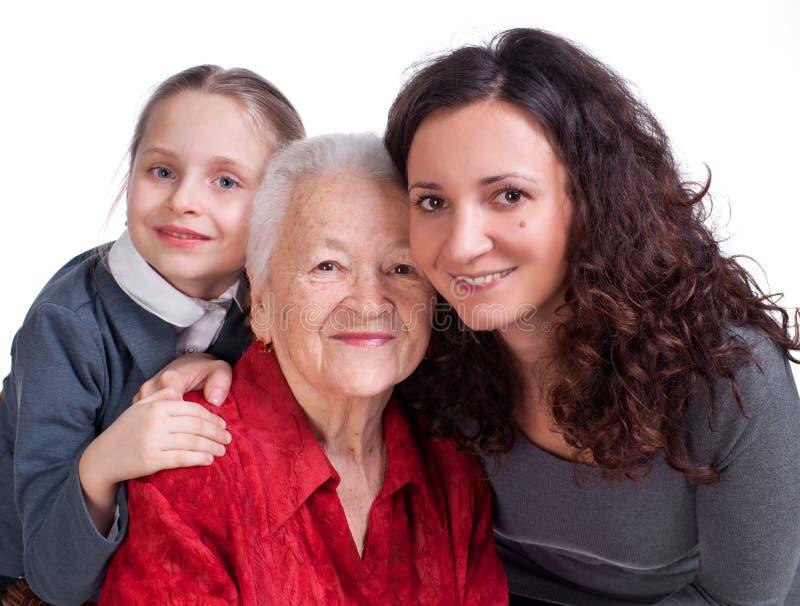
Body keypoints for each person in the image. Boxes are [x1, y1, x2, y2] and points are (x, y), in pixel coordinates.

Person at [382, 28, 800, 605]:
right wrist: (211, 361)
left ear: (590, 199)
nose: (459, 246)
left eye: (507, 195)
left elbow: (741, 602)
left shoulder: (729, 383)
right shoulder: (429, 351)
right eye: (432, 202)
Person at [97, 133, 508, 605]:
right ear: (264, 300)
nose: (370, 302)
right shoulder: (192, 466)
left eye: (402, 267)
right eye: (328, 266)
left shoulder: (453, 471)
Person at [0, 65, 304, 605]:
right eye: (161, 171)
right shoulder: (66, 326)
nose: (184, 199)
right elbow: (54, 576)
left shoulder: (271, 301)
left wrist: (227, 366)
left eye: (226, 181)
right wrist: (104, 461)